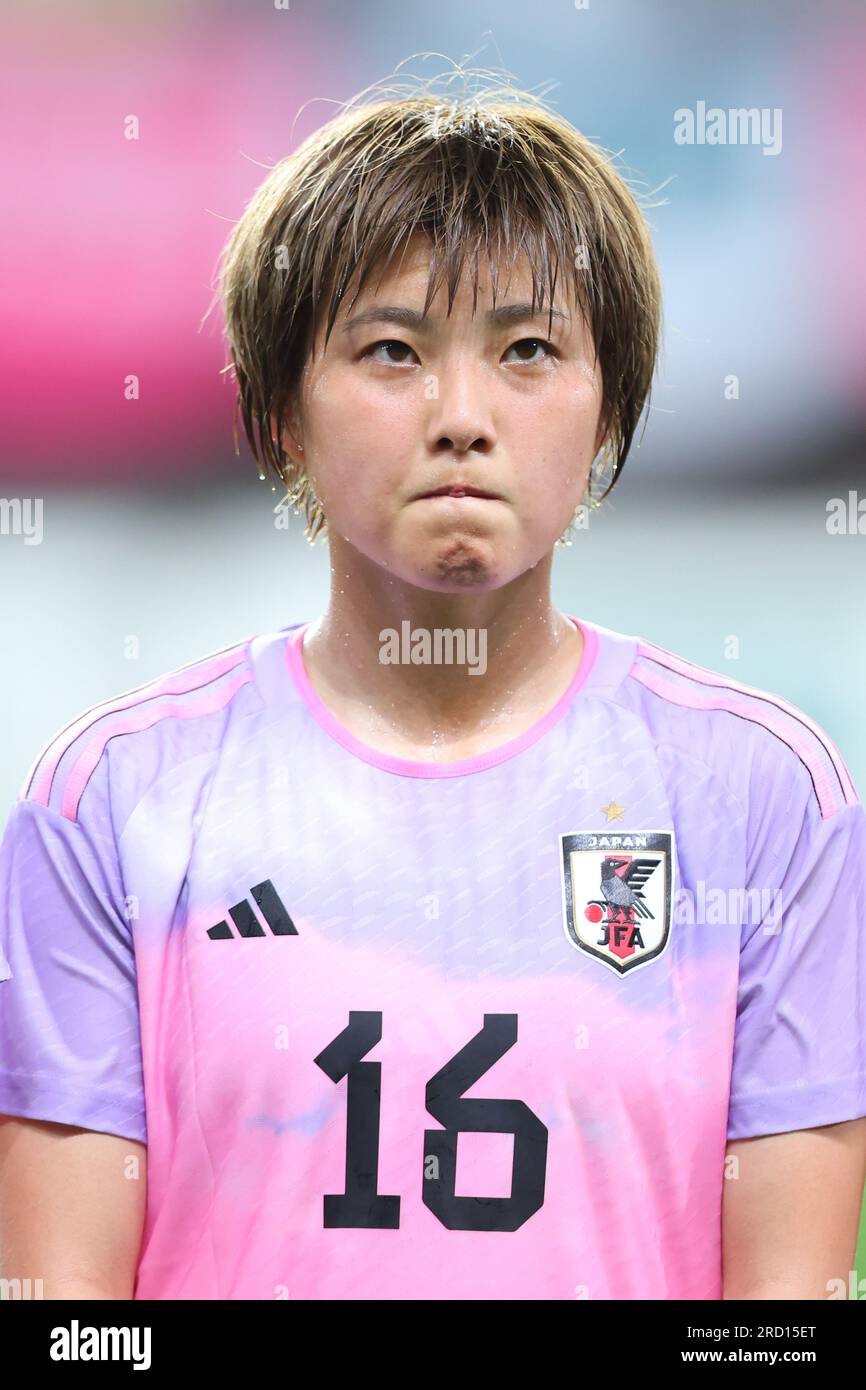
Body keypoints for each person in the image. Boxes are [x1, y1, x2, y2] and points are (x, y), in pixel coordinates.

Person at [1, 76, 865, 1302]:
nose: (460, 418)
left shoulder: (766, 798)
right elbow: (67, 1326)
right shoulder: (110, 800)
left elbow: (782, 1322)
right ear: (278, 411)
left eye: (526, 350)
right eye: (391, 351)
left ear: (609, 401)